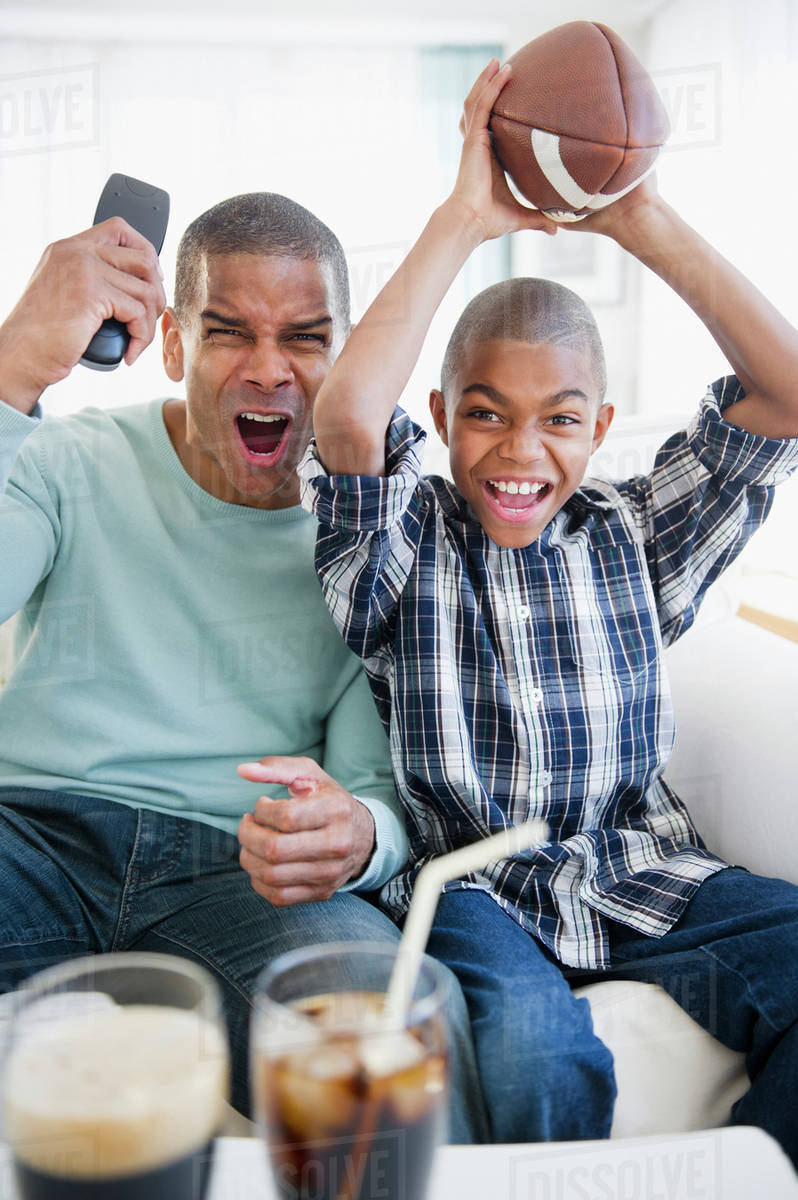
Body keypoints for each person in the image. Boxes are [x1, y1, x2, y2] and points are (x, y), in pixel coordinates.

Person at [299, 59, 798, 1162]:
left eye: (559, 420)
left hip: (646, 871)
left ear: (600, 423)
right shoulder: (407, 544)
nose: (521, 452)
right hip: (480, 888)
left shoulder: (636, 536)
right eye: (485, 414)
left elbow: (788, 393)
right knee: (538, 1058)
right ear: (439, 415)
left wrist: (641, 218)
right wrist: (466, 216)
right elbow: (344, 420)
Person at [0, 191, 487, 1138]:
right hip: (31, 839)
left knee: (378, 1044)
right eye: (230, 334)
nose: (269, 373)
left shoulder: (367, 533)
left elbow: (372, 791)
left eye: (305, 339)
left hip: (239, 872)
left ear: (347, 355)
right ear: (175, 344)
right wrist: (11, 366)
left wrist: (359, 835)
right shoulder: (67, 462)